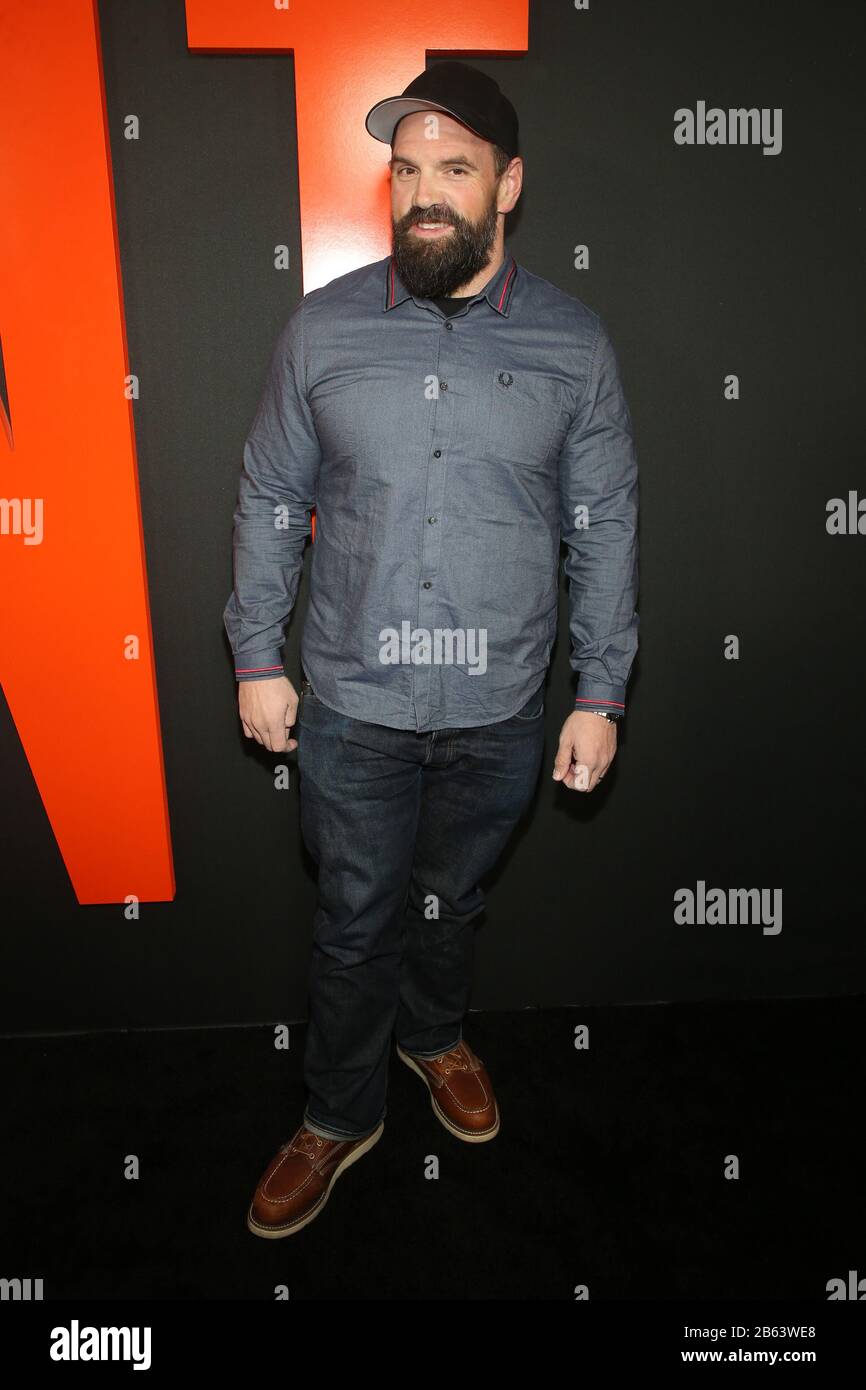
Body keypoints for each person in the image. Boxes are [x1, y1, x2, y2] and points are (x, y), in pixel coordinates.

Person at [223, 60, 639, 1238]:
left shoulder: (575, 344)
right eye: (406, 168)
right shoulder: (322, 329)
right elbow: (265, 497)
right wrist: (257, 653)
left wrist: (597, 688)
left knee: (451, 903)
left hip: (503, 708)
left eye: (451, 168)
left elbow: (602, 525)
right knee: (354, 916)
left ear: (507, 184)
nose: (423, 193)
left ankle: (433, 1035)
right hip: (350, 703)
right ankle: (338, 1110)